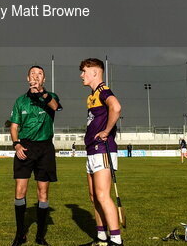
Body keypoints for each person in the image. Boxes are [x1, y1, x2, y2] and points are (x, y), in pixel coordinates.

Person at [9, 65, 62, 246]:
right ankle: (20, 234)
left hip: (45, 148)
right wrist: (16, 144)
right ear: (27, 78)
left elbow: (55, 107)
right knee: (20, 191)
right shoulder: (20, 101)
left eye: (40, 74)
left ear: (44, 79)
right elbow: (14, 126)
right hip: (25, 147)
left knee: (43, 192)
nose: (36, 76)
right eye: (33, 73)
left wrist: (42, 93)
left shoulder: (51, 96)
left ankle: (40, 236)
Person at [80, 58, 124, 246]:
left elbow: (116, 107)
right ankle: (101, 238)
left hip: (102, 150)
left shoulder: (103, 91)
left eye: (84, 71)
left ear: (95, 72)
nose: (81, 75)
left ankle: (116, 239)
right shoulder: (91, 96)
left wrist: (106, 131)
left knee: (103, 195)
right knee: (94, 196)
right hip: (91, 150)